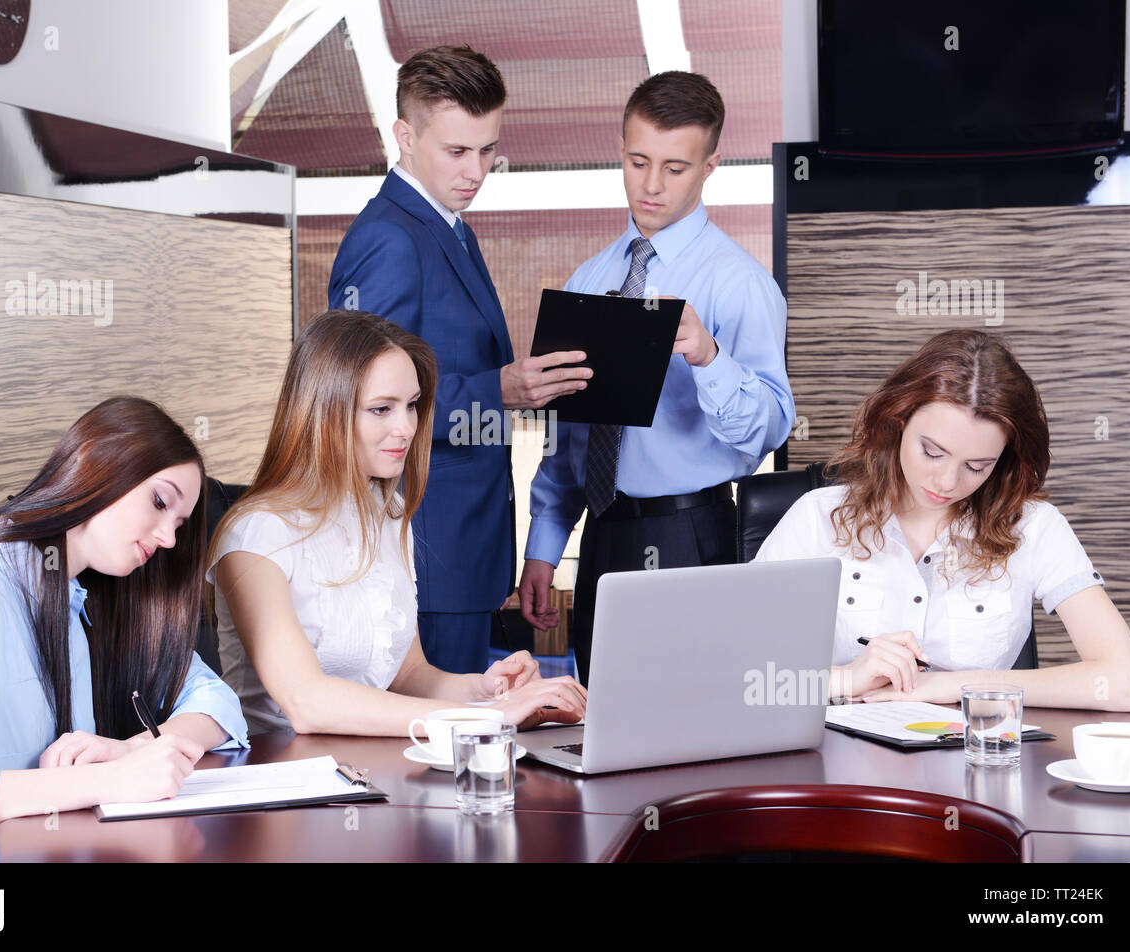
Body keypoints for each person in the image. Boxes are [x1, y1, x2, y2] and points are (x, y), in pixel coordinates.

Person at [0, 397, 250, 863]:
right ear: (91, 463)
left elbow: (216, 702)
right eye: (159, 502)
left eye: (179, 524)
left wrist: (130, 750)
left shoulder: (94, 598)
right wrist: (107, 780)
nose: (167, 538)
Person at [518, 71, 795, 684]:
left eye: (675, 168)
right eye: (638, 160)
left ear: (709, 166)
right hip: (601, 537)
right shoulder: (589, 279)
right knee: (599, 720)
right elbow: (570, 432)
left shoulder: (739, 282)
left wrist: (709, 358)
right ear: (620, 149)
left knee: (693, 721)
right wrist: (544, 544)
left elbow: (771, 427)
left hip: (691, 533)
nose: (650, 185)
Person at [327, 45, 590, 674]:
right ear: (404, 137)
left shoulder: (446, 224)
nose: (476, 170)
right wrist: (496, 391)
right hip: (424, 545)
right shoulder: (389, 238)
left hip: (458, 545)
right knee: (438, 750)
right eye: (456, 151)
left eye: (487, 150)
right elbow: (362, 402)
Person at [209, 310, 587, 736]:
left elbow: (408, 675)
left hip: (370, 771)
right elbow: (306, 702)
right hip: (282, 778)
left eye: (411, 406)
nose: (407, 427)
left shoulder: (386, 513)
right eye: (381, 409)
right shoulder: (257, 532)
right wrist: (485, 718)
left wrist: (488, 691)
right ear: (323, 412)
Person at [754, 330, 1130, 711]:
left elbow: (1122, 685)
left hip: (976, 758)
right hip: (835, 762)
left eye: (977, 466)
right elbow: (738, 680)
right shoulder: (819, 516)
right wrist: (842, 680)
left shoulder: (1033, 526)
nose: (947, 482)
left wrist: (947, 686)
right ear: (898, 420)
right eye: (932, 451)